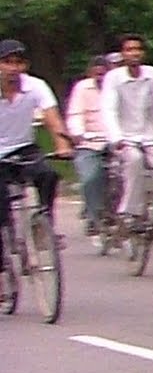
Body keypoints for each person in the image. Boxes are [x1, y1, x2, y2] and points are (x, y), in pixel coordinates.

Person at [0, 40, 73, 269]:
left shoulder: (36, 86)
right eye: (7, 62)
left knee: (48, 175)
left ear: (26, 65)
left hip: (23, 147)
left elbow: (52, 117)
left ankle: (43, 223)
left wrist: (62, 144)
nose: (13, 68)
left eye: (18, 62)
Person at [101, 34, 153, 229]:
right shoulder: (114, 78)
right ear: (123, 54)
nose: (134, 53)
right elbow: (109, 108)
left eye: (137, 49)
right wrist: (116, 137)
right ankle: (131, 211)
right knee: (135, 161)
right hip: (126, 136)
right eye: (129, 50)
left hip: (151, 135)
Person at [64, 55, 113, 233]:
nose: (101, 78)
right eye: (97, 74)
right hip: (90, 142)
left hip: (116, 141)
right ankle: (94, 216)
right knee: (90, 177)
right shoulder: (82, 88)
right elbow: (75, 115)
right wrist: (78, 134)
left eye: (104, 74)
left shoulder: (117, 87)